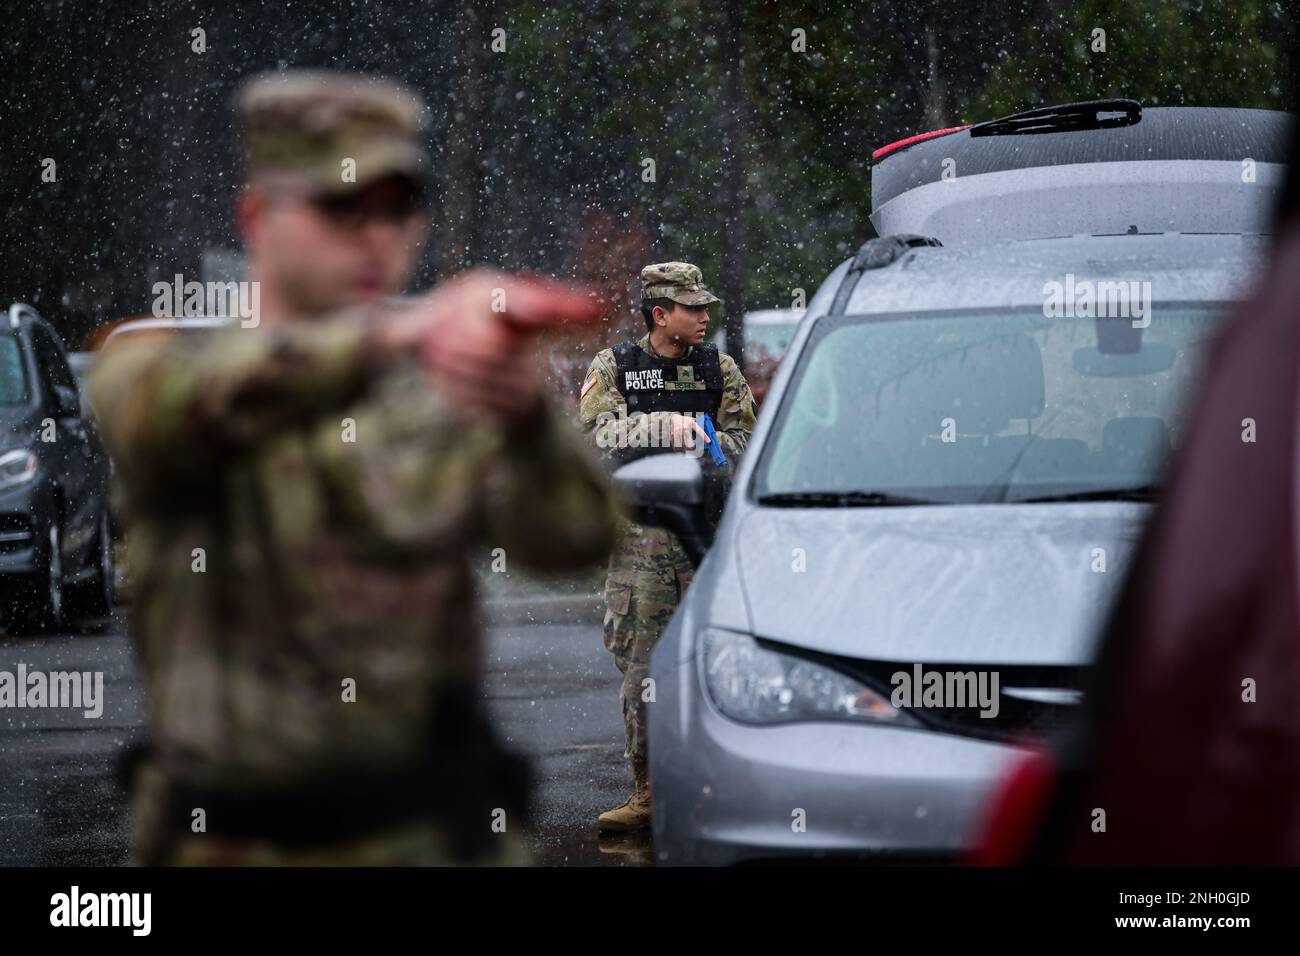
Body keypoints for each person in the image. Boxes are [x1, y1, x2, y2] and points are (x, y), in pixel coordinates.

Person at [90, 69, 618, 865]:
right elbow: (172, 413)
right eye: (343, 208)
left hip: (437, 838)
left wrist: (525, 416)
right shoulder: (162, 371)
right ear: (258, 216)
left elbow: (573, 537)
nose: (378, 236)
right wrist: (407, 331)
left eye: (399, 210)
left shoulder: (439, 394)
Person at [578, 262, 756, 832]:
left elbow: (748, 440)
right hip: (641, 547)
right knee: (643, 671)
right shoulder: (617, 367)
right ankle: (649, 793)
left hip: (707, 537)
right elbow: (595, 436)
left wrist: (703, 442)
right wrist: (663, 430)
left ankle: (726, 786)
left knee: (725, 665)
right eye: (693, 308)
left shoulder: (717, 367)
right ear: (661, 314)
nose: (705, 317)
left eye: (706, 307)